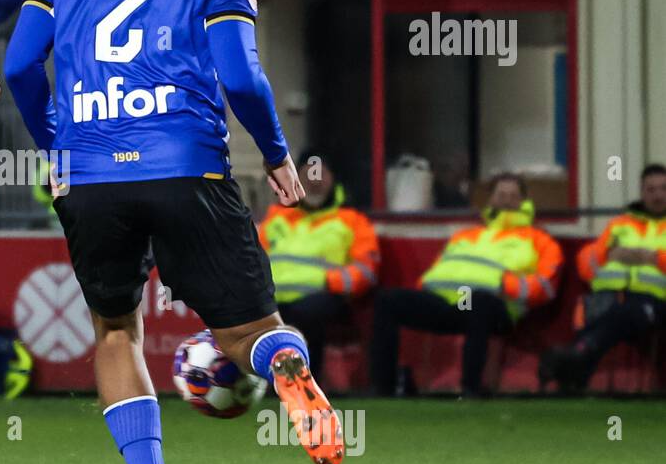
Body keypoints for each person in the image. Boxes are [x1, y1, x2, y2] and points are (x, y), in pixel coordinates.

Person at [3, 0, 343, 464]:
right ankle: (284, 366)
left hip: (89, 170)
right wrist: (279, 154)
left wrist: (58, 144)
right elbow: (241, 76)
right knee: (251, 329)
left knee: (117, 331)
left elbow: (20, 65)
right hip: (186, 161)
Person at [369, 173, 562, 397]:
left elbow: (546, 286)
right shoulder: (465, 235)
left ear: (525, 202)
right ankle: (383, 388)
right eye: (501, 194)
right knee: (387, 300)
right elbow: (440, 269)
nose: (506, 200)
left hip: (497, 306)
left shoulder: (540, 240)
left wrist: (504, 285)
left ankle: (470, 389)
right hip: (448, 302)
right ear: (490, 200)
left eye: (513, 195)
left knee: (477, 302)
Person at [540, 164, 666, 392]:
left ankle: (576, 358)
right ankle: (575, 374)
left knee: (624, 311)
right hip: (608, 295)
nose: (658, 195)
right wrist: (608, 254)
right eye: (651, 189)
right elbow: (586, 264)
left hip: (655, 301)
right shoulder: (620, 224)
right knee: (592, 308)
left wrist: (655, 259)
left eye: (663, 189)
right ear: (642, 192)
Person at [258, 151, 379, 382]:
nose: (314, 180)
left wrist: (328, 281)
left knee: (305, 314)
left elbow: (366, 271)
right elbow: (254, 261)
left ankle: (305, 385)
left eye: (321, 173)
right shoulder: (277, 217)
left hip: (324, 297)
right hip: (272, 298)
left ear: (335, 179)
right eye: (307, 173)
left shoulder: (352, 220)